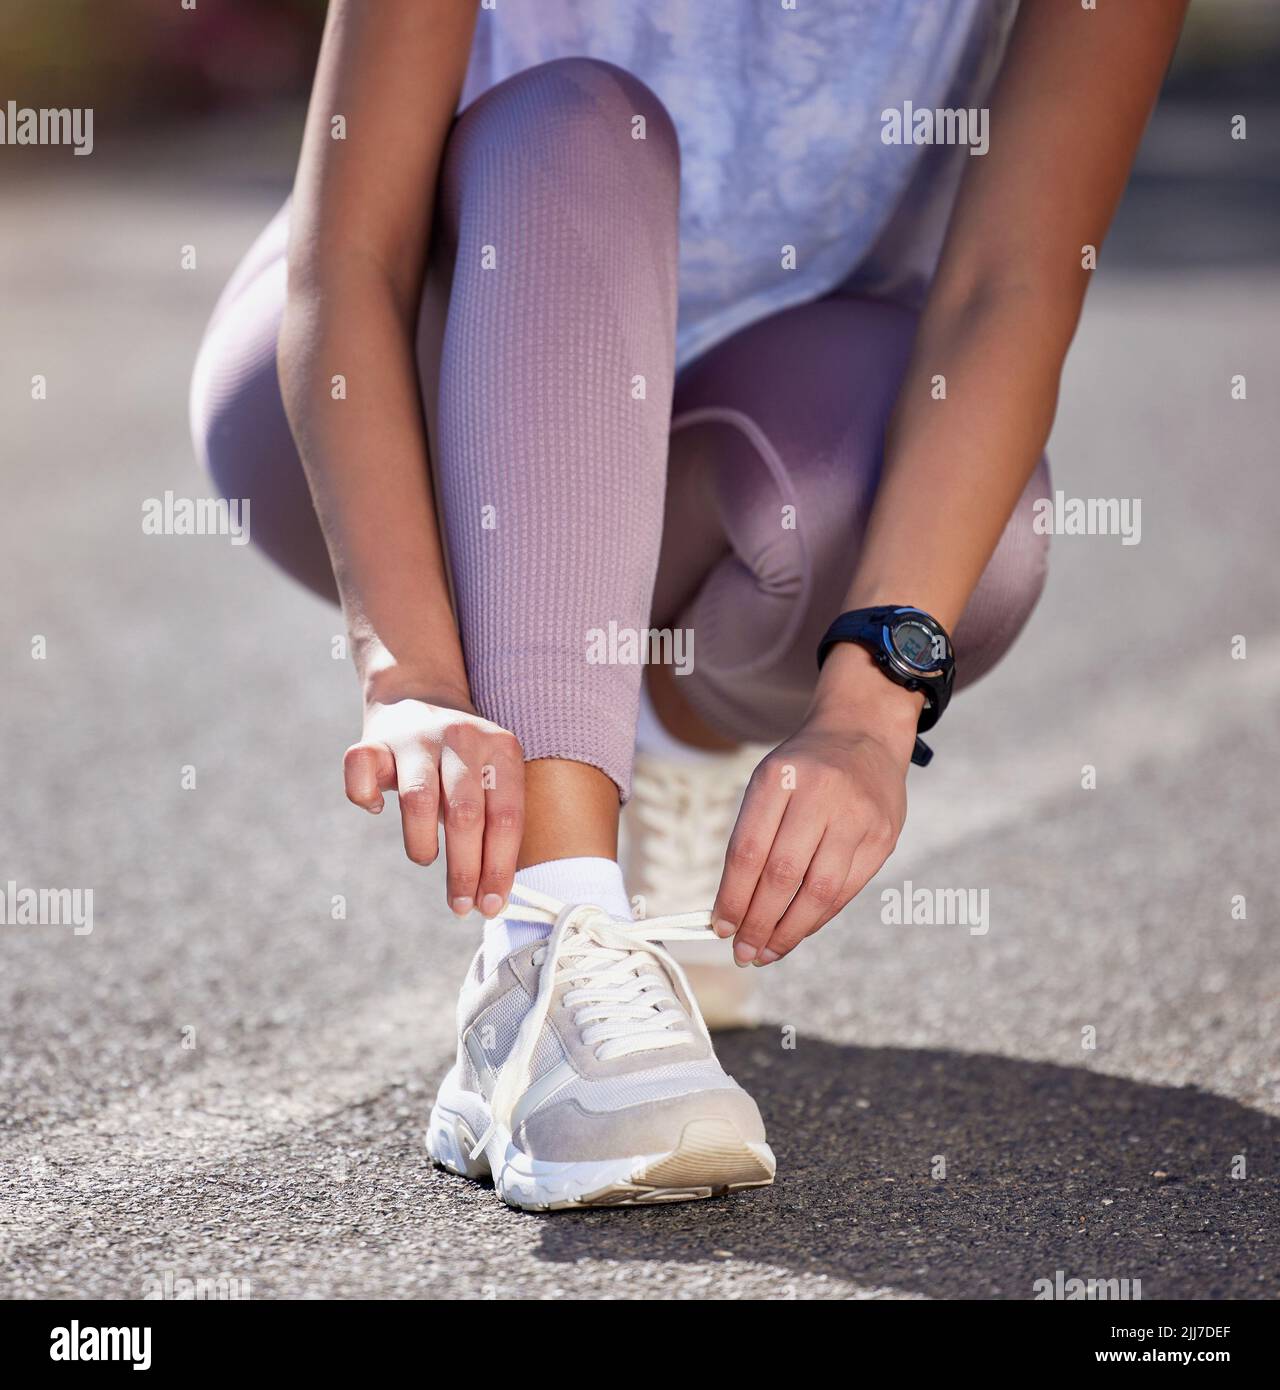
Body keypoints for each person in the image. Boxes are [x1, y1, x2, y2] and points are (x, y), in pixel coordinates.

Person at [190, 0, 1187, 1210]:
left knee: (977, 552)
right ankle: (548, 950)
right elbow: (350, 259)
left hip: (747, 431)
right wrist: (409, 674)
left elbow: (1008, 287)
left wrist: (869, 705)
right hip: (416, 365)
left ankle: (660, 731)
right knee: (579, 122)